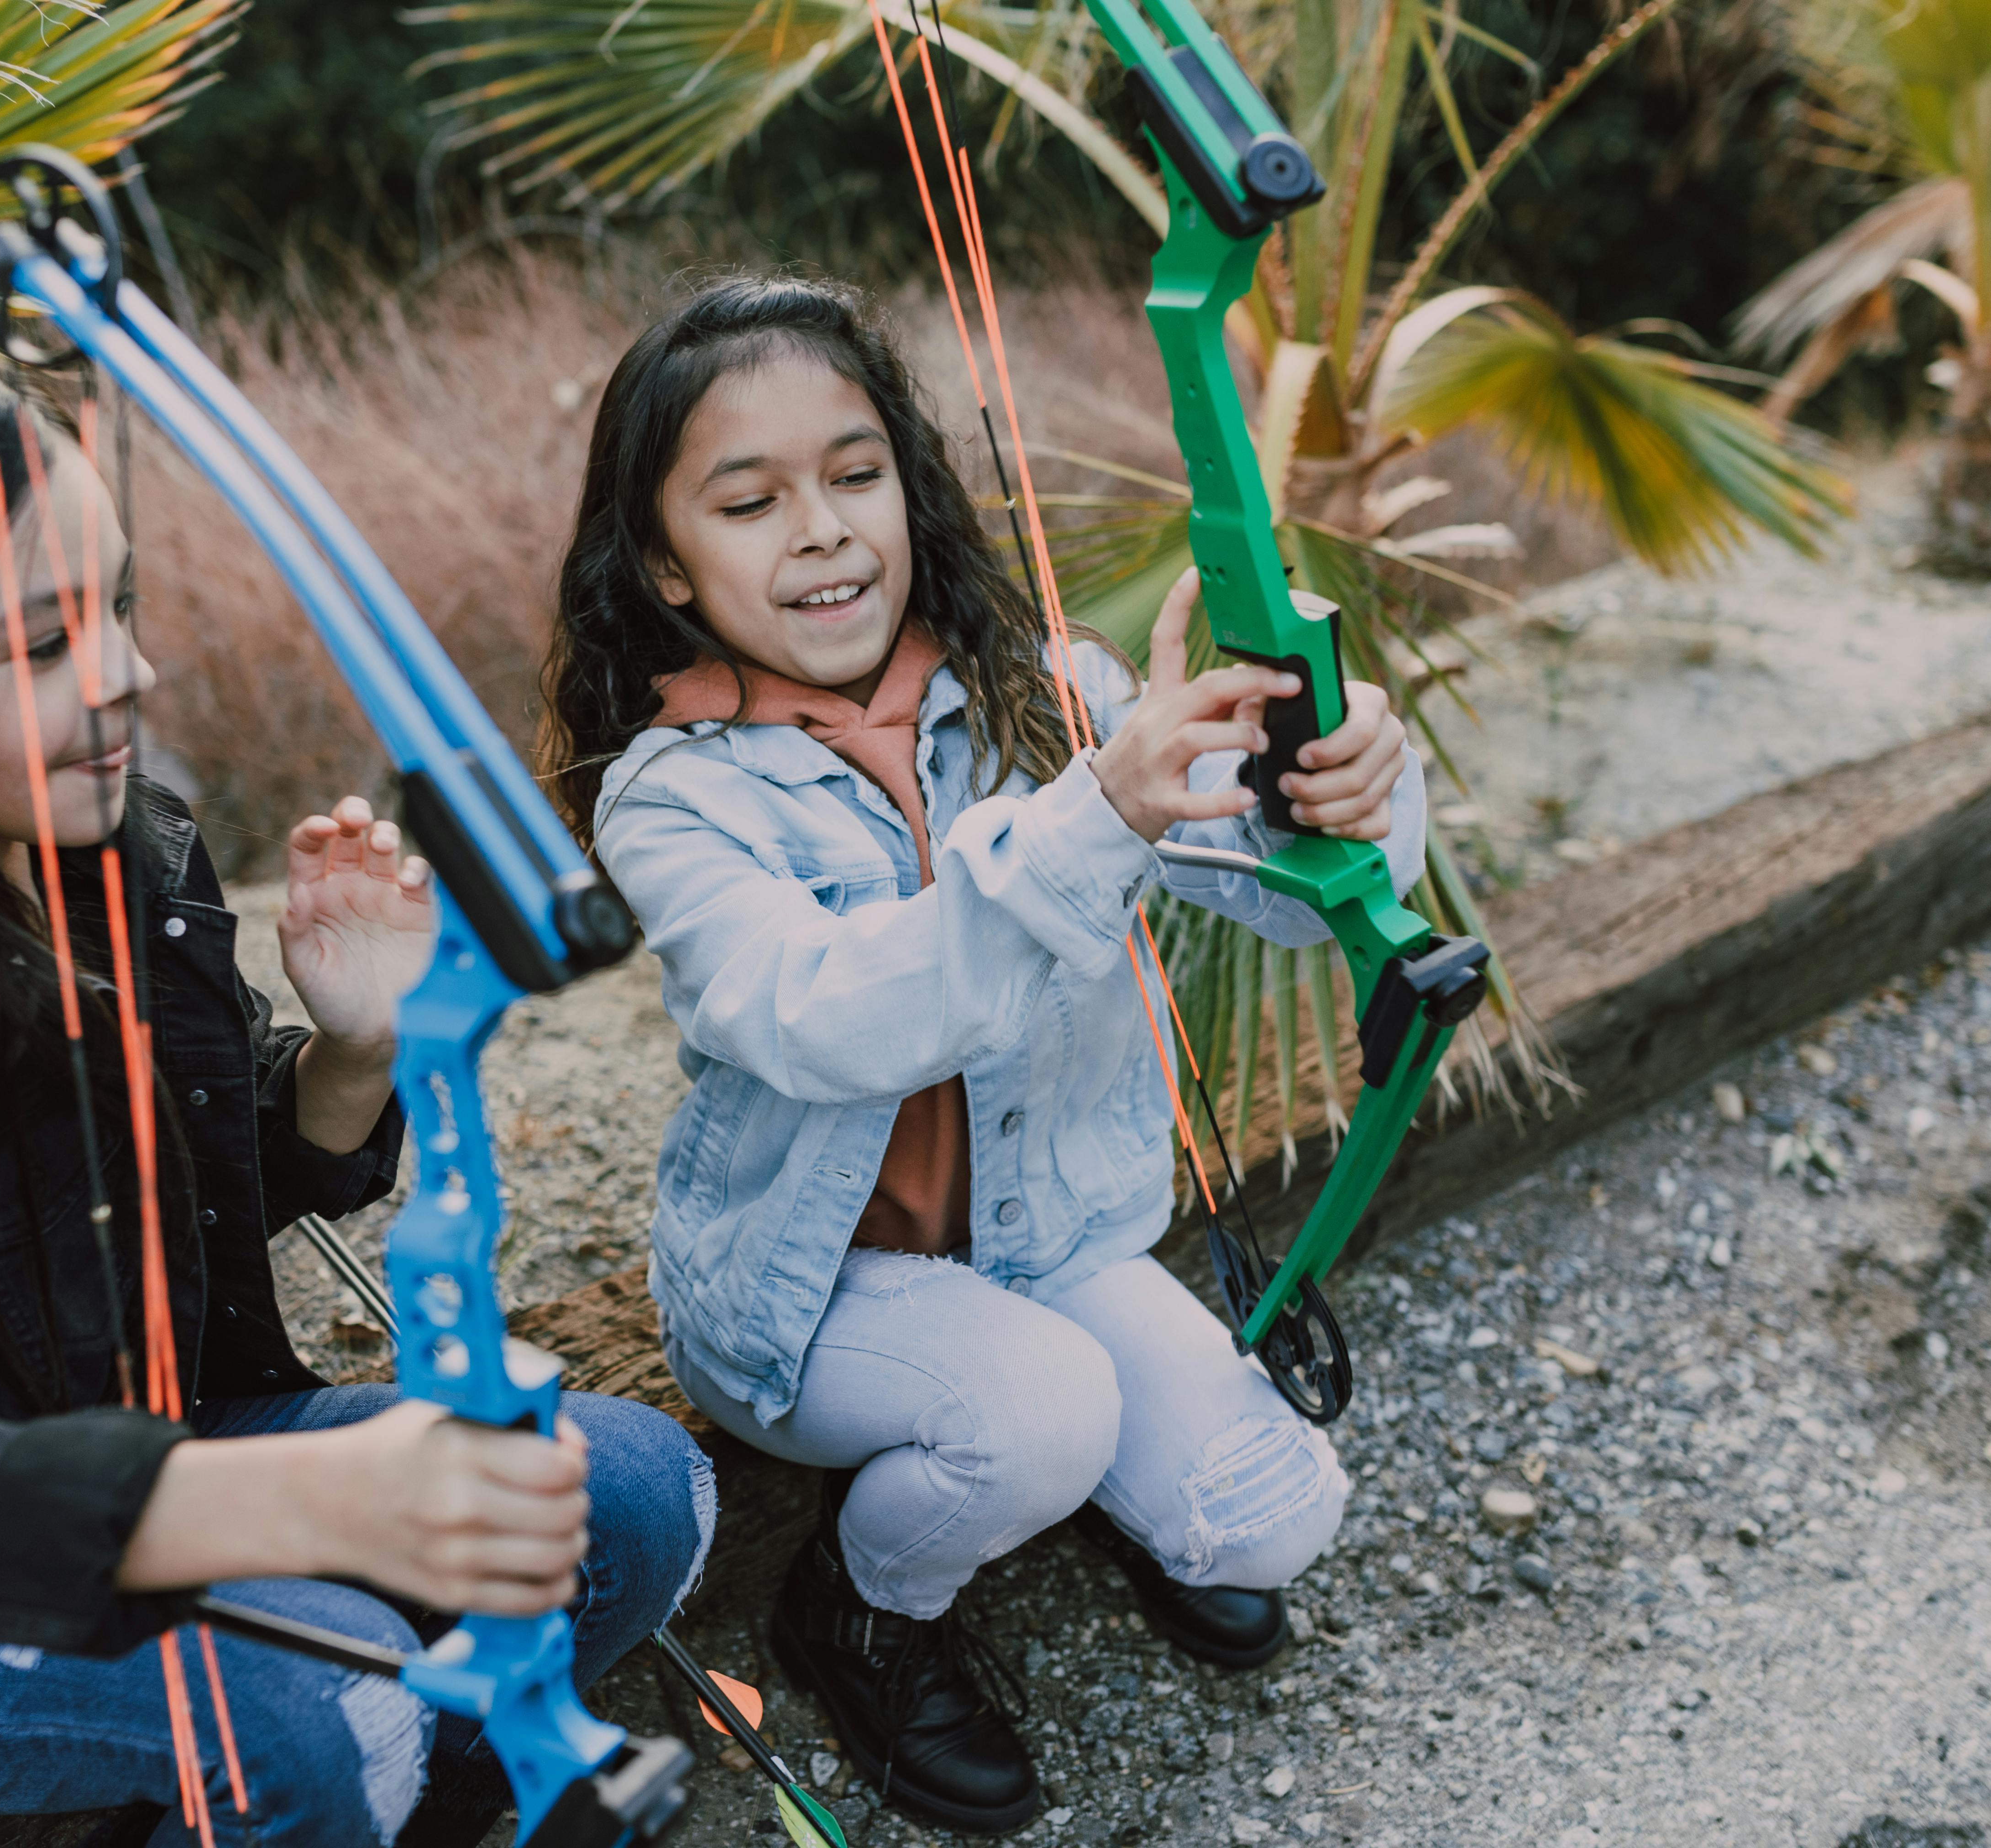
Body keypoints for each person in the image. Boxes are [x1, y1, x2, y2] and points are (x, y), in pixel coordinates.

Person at [0, 336, 713, 1848]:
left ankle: (414, 1790)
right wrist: (311, 1508)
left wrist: (352, 1052)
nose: (129, 675)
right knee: (327, 1706)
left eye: (114, 606)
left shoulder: (123, 856)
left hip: (190, 1441)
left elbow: (211, 1166)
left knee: (634, 1493)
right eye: (40, 645)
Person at [543, 275, 1423, 1835]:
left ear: (909, 484)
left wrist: (1336, 794)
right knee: (1035, 1414)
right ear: (667, 563)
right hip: (810, 1302)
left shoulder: (1051, 690)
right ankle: (861, 1610)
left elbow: (1287, 906)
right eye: (748, 501)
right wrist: (1099, 812)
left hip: (1047, 1245)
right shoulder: (670, 795)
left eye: (854, 474)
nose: (819, 529)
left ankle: (1069, 1471)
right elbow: (820, 1009)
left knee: (1274, 1517)